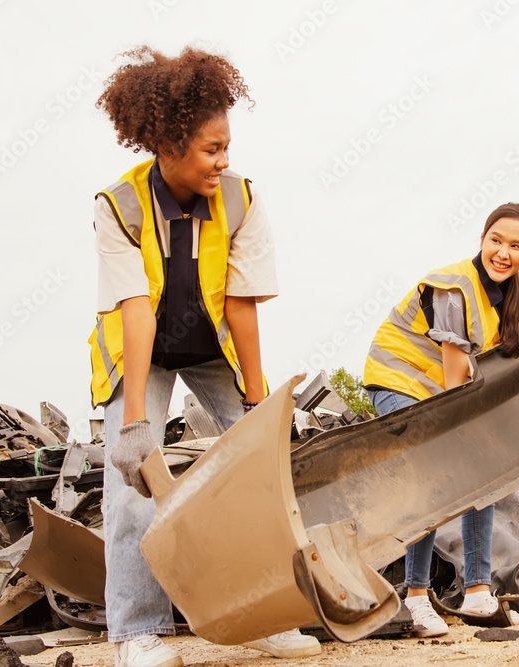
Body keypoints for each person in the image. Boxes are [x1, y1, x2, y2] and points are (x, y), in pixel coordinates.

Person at [90, 46, 320, 667]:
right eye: (211, 150)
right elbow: (136, 311)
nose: (224, 161)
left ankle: (267, 615)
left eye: (227, 147)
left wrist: (255, 401)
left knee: (260, 483)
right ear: (167, 146)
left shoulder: (242, 200)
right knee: (131, 487)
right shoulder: (120, 206)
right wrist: (136, 422)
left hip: (213, 345)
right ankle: (139, 633)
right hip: (141, 354)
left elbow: (243, 306)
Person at [363, 202, 519, 637]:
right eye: (495, 240)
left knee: (483, 471)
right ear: (481, 240)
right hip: (399, 380)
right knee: (431, 477)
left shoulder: (510, 301)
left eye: (516, 246)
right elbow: (454, 369)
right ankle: (416, 597)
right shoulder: (453, 286)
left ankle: (479, 592)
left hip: (441, 389)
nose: (503, 252)